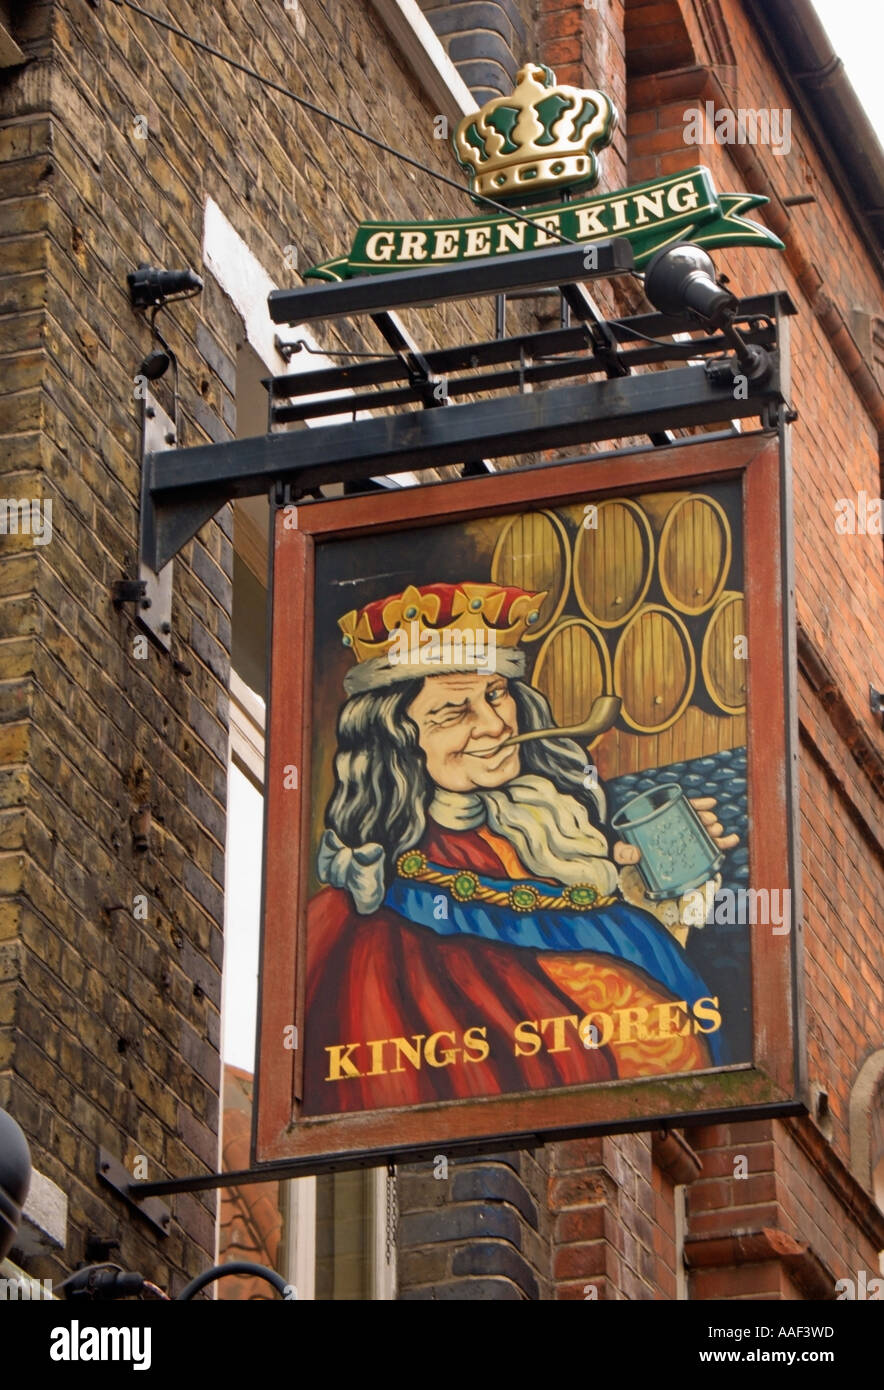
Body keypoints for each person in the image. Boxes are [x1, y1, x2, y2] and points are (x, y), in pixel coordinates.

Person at [303, 582, 735, 1115]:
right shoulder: (382, 918)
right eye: (451, 712)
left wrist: (659, 899)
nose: (494, 725)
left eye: (495, 694)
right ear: (398, 741)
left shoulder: (542, 824)